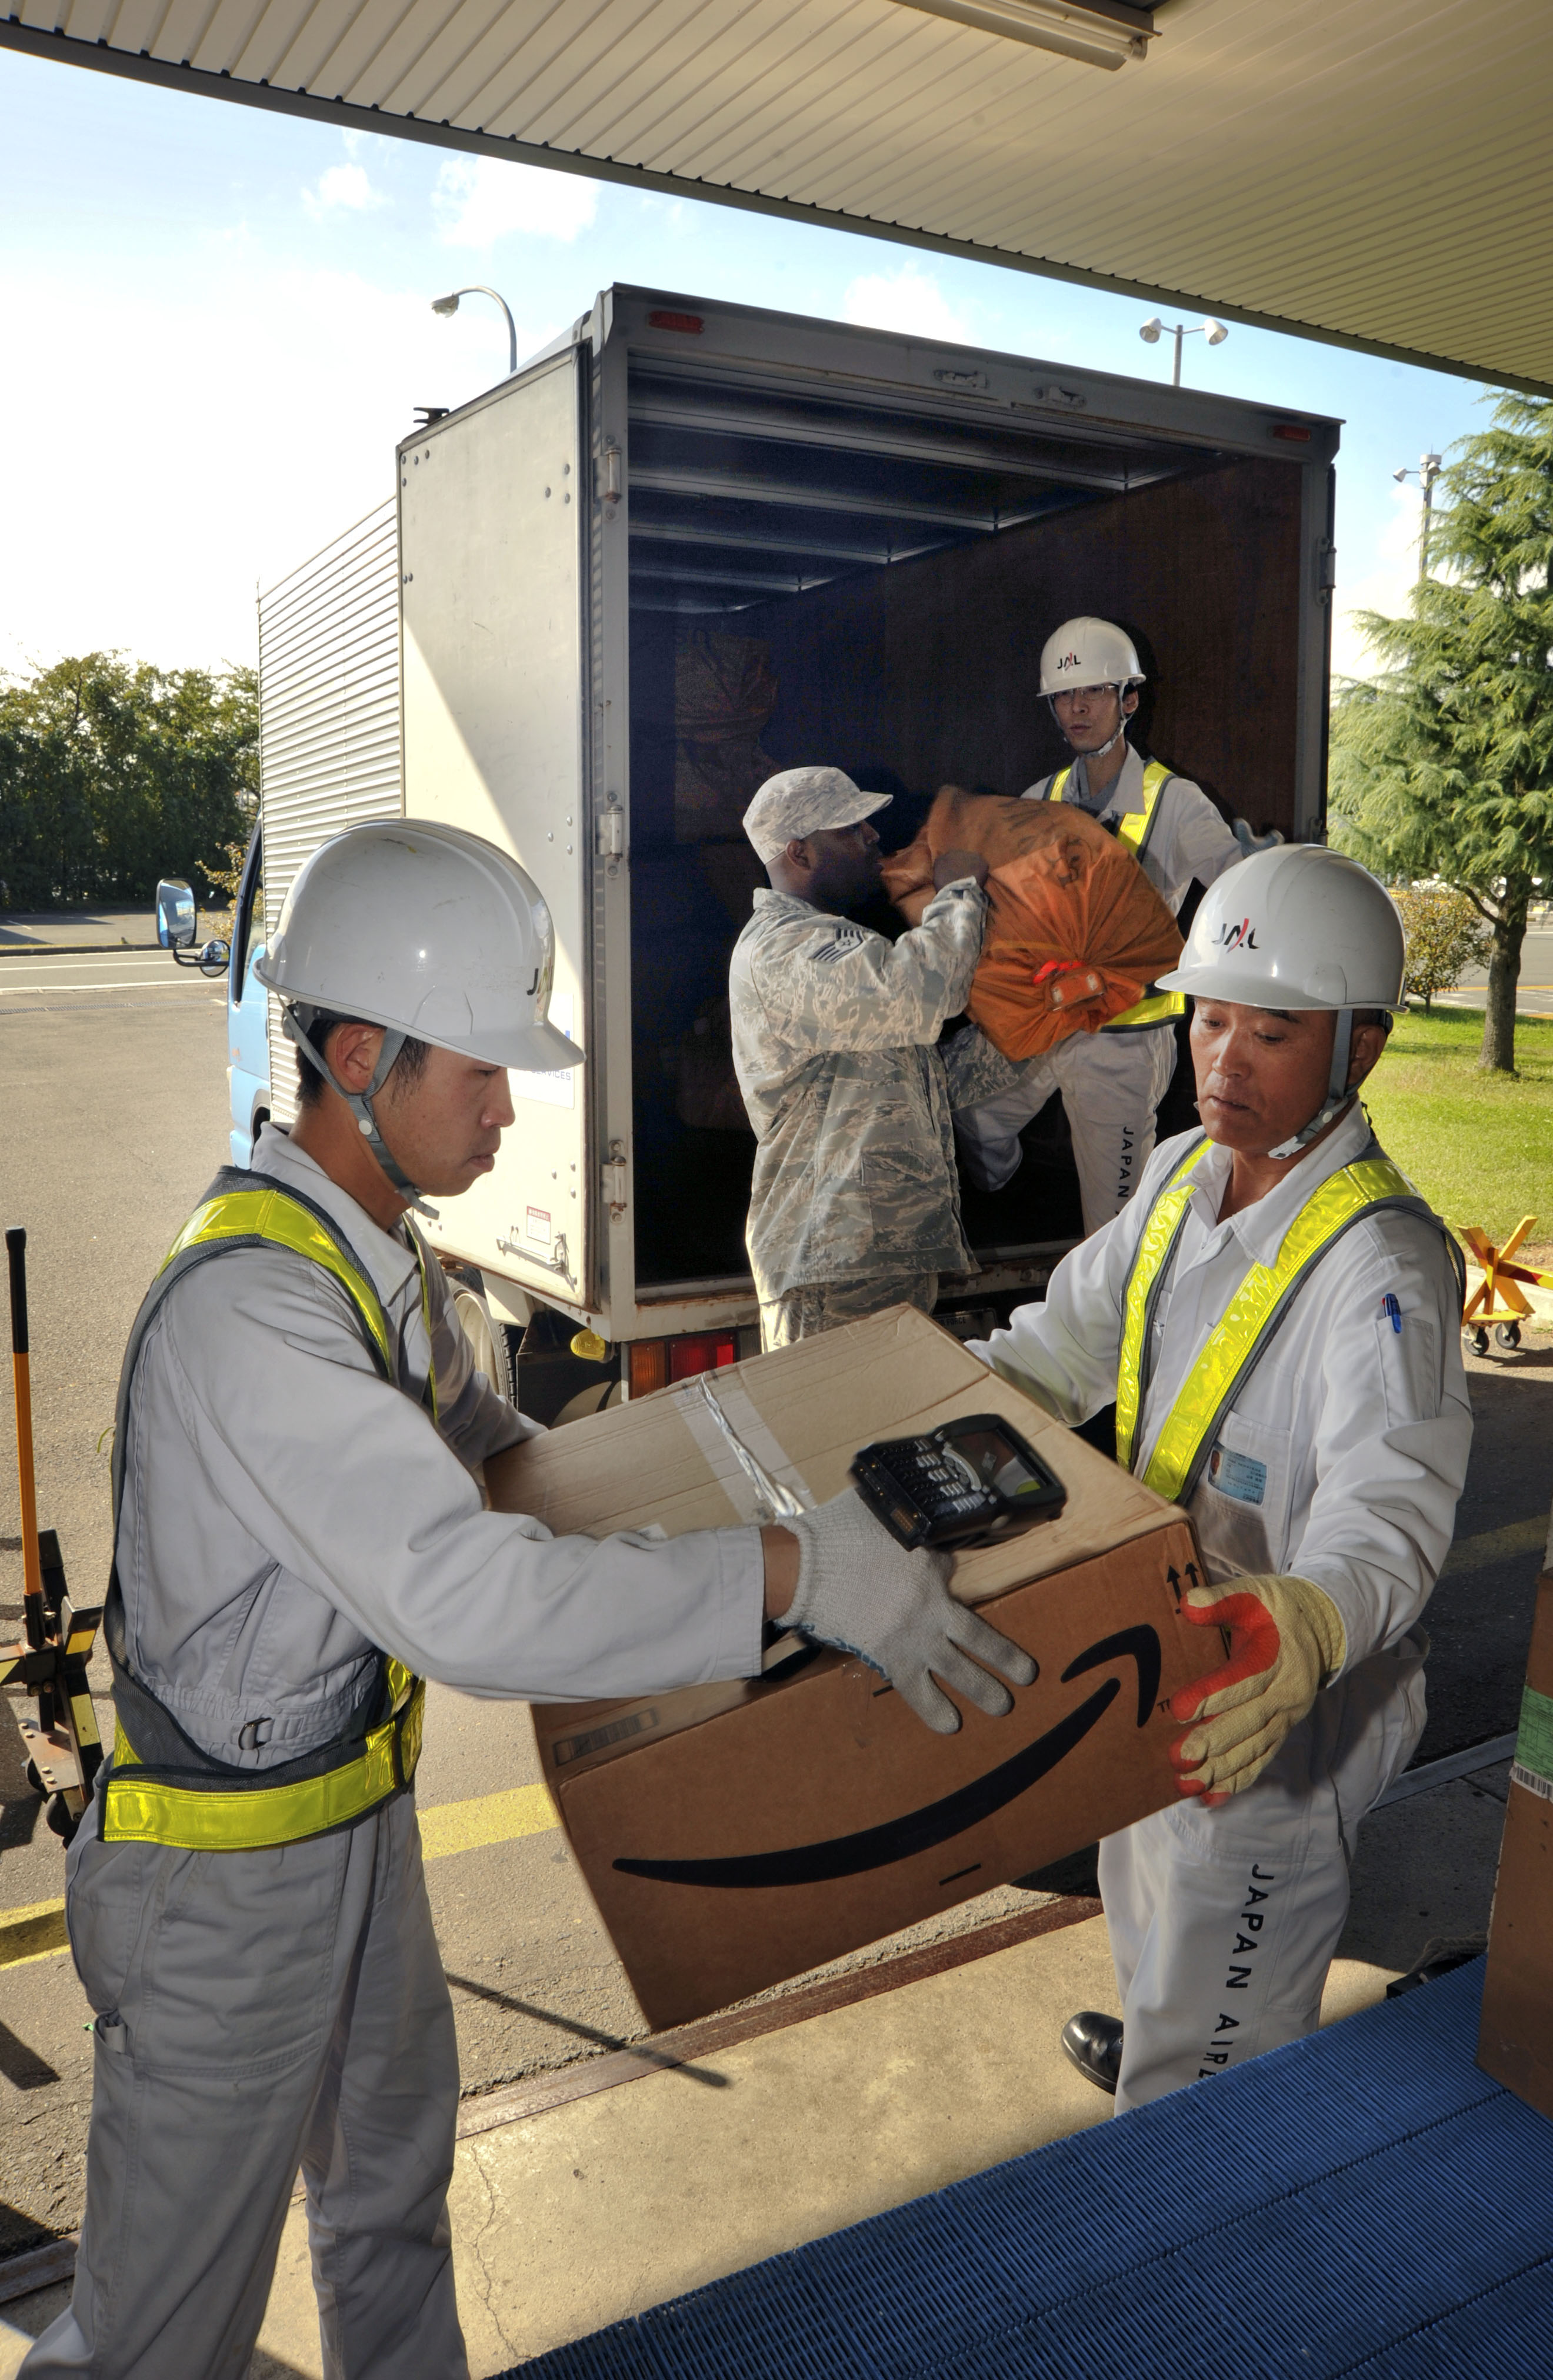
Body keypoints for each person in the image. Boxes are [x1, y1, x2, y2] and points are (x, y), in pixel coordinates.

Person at [25, 819, 1035, 2380]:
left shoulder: (379, 1260)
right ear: (357, 1053)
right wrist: (792, 1568)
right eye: (480, 1069)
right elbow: (462, 1596)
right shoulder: (255, 1307)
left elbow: (493, 1443)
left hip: (347, 1829)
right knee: (162, 2331)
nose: (509, 1105)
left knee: (388, 2211)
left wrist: (666, 1484)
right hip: (217, 1891)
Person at [968, 844, 1471, 2114]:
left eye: (1275, 1033)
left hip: (1283, 1713)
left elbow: (1392, 1510)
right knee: (1148, 1911)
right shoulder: (1185, 1173)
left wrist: (1310, 1618)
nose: (1224, 1058)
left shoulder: (1383, 1265)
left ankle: (1192, 2168)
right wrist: (939, 1412)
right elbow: (1061, 1340)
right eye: (1210, 1016)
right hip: (1166, 1652)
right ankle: (1160, 2040)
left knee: (1222, 2066)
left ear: (1359, 1050)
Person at [954, 616, 1262, 1234]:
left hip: (1120, 1044)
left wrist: (1259, 870)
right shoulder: (1038, 797)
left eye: (1092, 693)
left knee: (1113, 1224)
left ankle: (1116, 1318)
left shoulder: (1175, 802)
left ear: (1128, 700)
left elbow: (1239, 889)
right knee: (964, 1116)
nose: (1076, 708)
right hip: (1045, 1022)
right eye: (1065, 696)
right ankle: (1010, 1202)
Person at [730, 765, 990, 1350]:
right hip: (830, 1269)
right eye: (850, 829)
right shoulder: (786, 952)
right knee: (828, 1438)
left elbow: (917, 1082)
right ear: (800, 852)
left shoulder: (839, 947)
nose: (874, 836)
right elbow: (925, 990)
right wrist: (959, 893)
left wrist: (1036, 1033)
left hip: (874, 1261)